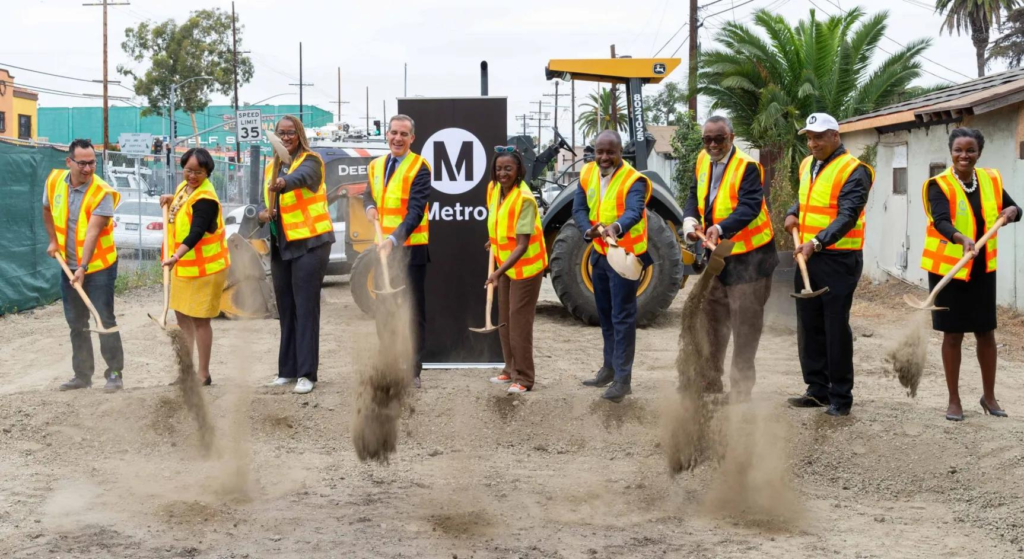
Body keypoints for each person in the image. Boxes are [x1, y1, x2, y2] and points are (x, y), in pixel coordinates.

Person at [920, 128, 1020, 421]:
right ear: (951, 152)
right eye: (958, 150)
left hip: (981, 269)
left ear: (979, 153)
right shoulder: (939, 185)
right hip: (949, 270)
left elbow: (1012, 208)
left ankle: (989, 397)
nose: (964, 156)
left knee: (985, 332)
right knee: (953, 335)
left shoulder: (989, 180)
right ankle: (954, 401)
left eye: (970, 150)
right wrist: (961, 238)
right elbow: (940, 221)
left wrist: (1013, 211)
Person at [784, 113, 874, 417]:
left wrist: (817, 242)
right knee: (809, 326)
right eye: (809, 138)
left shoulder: (855, 171)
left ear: (835, 136)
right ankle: (817, 390)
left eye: (819, 137)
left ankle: (840, 397)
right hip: (808, 256)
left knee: (834, 327)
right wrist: (792, 212)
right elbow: (807, 198)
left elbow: (847, 215)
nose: (813, 143)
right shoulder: (807, 164)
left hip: (839, 259)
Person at [682, 115, 778, 400]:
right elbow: (694, 194)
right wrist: (689, 220)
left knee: (745, 325)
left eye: (719, 139)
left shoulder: (747, 167)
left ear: (731, 138)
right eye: (707, 139)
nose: (713, 144)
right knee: (712, 319)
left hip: (751, 257)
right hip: (718, 256)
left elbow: (750, 206)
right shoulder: (703, 159)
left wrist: (721, 228)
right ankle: (710, 380)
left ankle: (741, 390)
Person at [258, 115, 335, 394]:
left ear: (299, 134)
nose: (285, 137)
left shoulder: (311, 161)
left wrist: (283, 182)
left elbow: (299, 179)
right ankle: (287, 370)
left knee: (305, 308)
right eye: (281, 133)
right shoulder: (271, 167)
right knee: (286, 309)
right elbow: (264, 204)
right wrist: (263, 214)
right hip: (282, 244)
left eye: (291, 132)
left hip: (311, 243)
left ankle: (306, 373)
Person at [575, 130, 653, 403]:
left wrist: (616, 227)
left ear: (621, 152)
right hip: (599, 254)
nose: (604, 157)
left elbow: (634, 211)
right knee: (606, 316)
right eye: (600, 152)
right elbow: (579, 209)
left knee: (622, 318)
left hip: (625, 258)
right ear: (594, 152)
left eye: (611, 152)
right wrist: (588, 231)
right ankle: (608, 369)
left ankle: (622, 380)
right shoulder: (587, 173)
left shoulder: (634, 179)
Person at [41, 139, 124, 392]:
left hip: (98, 267)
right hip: (68, 265)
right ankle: (82, 375)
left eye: (92, 163)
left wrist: (83, 267)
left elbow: (92, 232)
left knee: (103, 318)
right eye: (82, 163)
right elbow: (47, 209)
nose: (88, 169)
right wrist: (53, 240)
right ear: (69, 162)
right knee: (76, 322)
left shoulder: (102, 192)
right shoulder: (54, 181)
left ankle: (114, 374)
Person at [362, 114, 432, 389]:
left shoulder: (420, 167)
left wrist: (394, 239)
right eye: (393, 133)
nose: (397, 138)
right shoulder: (376, 165)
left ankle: (413, 370)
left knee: (413, 311)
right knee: (384, 310)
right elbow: (369, 194)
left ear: (412, 138)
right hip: (382, 249)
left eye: (404, 134)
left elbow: (416, 212)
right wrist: (369, 207)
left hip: (410, 250)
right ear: (387, 135)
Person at [159, 148, 230, 386]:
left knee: (200, 321)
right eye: (188, 170)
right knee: (182, 318)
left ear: (207, 172)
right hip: (183, 268)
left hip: (205, 270)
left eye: (198, 172)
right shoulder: (185, 188)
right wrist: (171, 199)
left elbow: (196, 231)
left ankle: (203, 374)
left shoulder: (206, 199)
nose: (192, 176)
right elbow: (184, 206)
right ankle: (186, 372)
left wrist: (175, 256)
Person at [485, 147, 548, 393]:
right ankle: (509, 369)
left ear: (519, 170)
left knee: (519, 323)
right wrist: (494, 239)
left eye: (508, 169)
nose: (503, 173)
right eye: (499, 168)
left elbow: (522, 245)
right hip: (505, 264)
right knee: (505, 320)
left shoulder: (525, 200)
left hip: (526, 267)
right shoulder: (493, 189)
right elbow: (500, 221)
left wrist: (496, 273)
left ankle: (524, 378)